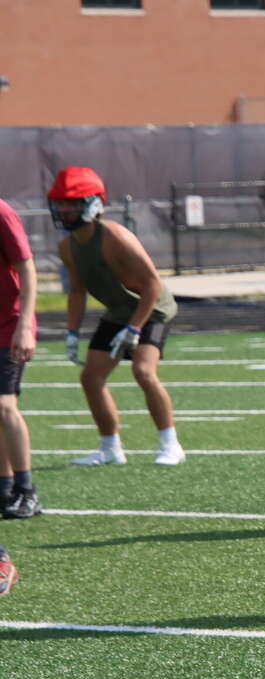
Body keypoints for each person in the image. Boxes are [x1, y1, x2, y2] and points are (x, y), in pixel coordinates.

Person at [50, 166, 185, 467]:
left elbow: (152, 284)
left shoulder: (114, 236)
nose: (65, 209)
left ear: (93, 204)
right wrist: (72, 333)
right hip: (119, 312)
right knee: (90, 377)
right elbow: (76, 292)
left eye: (72, 202)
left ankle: (170, 444)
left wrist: (135, 328)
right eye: (61, 202)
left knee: (143, 371)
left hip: (152, 308)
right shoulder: (66, 247)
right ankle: (110, 448)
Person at [0, 199, 40, 518]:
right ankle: (4, 488)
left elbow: (26, 268)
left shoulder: (2, 212)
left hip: (9, 324)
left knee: (4, 404)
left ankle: (27, 492)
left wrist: (25, 326)